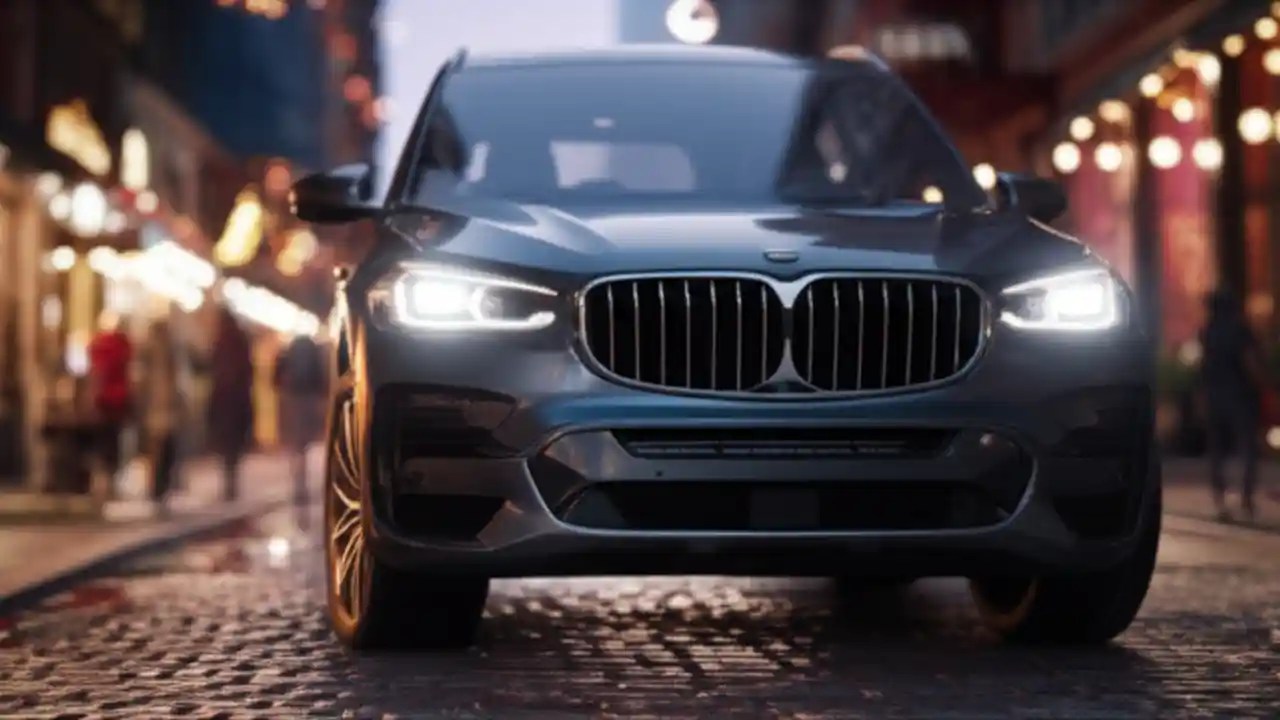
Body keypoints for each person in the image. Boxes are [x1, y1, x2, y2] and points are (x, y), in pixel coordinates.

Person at [1199, 289, 1266, 521]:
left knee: (1217, 451)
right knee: (1247, 449)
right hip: (1240, 397)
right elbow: (1250, 363)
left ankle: (1220, 501)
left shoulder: (1207, 331)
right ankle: (1246, 500)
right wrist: (1263, 385)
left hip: (1214, 397)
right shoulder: (1241, 330)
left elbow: (1204, 364)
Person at [274, 333, 327, 501]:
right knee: (304, 444)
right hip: (308, 399)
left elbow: (276, 376)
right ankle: (301, 482)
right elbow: (321, 378)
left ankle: (298, 482)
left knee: (295, 443)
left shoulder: (287, 352)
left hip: (292, 398)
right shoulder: (314, 351)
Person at [208, 310, 254, 502]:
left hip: (223, 399)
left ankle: (229, 482)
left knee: (226, 443)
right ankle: (231, 482)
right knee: (234, 444)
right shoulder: (241, 342)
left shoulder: (219, 342)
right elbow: (249, 371)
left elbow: (213, 368)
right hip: (238, 400)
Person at [87, 311, 132, 499]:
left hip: (103, 402)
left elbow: (96, 374)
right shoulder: (124, 346)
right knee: (114, 442)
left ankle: (101, 480)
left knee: (101, 442)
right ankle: (111, 479)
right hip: (118, 401)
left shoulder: (98, 346)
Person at [142, 321, 184, 513]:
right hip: (159, 409)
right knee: (160, 451)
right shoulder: (158, 356)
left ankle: (159, 489)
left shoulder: (163, 357)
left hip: (160, 409)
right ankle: (158, 489)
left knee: (161, 451)